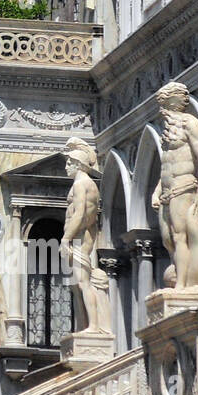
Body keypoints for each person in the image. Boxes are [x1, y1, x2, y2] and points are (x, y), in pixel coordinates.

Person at [152, 82, 198, 290]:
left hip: (184, 185)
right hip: (167, 189)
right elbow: (166, 161)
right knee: (168, 240)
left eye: (163, 103)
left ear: (173, 101)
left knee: (181, 236)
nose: (160, 109)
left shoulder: (190, 123)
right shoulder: (168, 128)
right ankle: (180, 278)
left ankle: (181, 285)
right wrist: (156, 190)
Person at [60, 137, 111, 334]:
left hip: (80, 237)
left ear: (78, 164)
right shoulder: (84, 184)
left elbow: (81, 213)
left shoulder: (82, 184)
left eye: (69, 163)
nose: (66, 167)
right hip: (79, 236)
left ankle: (93, 326)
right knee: (78, 284)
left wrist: (66, 238)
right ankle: (86, 325)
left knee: (83, 282)